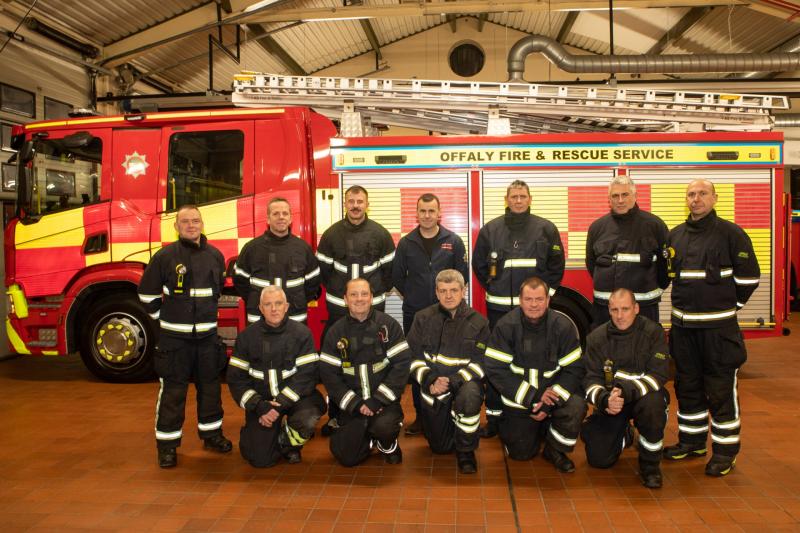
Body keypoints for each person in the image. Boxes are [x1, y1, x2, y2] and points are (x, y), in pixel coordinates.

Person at [663, 179, 760, 477]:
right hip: (683, 331)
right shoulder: (675, 236)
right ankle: (692, 442)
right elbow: (669, 276)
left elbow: (749, 279)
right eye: (691, 194)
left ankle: (725, 452)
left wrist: (728, 310)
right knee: (687, 387)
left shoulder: (732, 234)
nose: (696, 199)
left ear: (715, 198)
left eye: (702, 194)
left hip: (718, 333)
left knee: (720, 391)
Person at [138, 205, 232, 468]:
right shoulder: (165, 256)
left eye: (195, 221)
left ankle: (212, 435)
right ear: (176, 227)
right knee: (173, 393)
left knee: (211, 390)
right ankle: (167, 446)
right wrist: (165, 321)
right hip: (175, 342)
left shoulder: (215, 256)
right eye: (185, 222)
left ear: (202, 224)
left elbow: (215, 293)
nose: (191, 225)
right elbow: (147, 295)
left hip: (206, 339)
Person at [472, 179, 565, 437]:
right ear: (507, 199)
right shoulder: (491, 230)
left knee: (534, 358)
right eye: (514, 196)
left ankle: (536, 407)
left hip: (534, 314)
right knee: (497, 363)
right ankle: (494, 417)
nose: (518, 200)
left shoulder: (546, 229)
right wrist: (493, 288)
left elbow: (557, 266)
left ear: (530, 198)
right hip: (500, 311)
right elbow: (480, 265)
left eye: (523, 196)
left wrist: (546, 298)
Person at [484, 277, 586, 472]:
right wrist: (534, 396)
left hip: (553, 398)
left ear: (548, 300)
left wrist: (549, 401)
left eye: (539, 299)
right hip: (521, 399)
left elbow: (574, 369)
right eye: (529, 299)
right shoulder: (506, 326)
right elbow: (495, 369)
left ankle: (555, 449)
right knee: (520, 454)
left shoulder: (562, 327)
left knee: (576, 405)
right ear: (520, 300)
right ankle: (525, 429)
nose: (533, 305)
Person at [316, 185, 396, 435]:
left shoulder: (380, 234)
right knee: (339, 365)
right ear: (345, 203)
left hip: (371, 314)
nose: (355, 205)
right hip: (339, 313)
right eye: (351, 201)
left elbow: (390, 272)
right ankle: (337, 415)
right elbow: (323, 272)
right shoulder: (331, 235)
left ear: (367, 203)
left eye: (360, 201)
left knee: (373, 360)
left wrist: (369, 297)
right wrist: (344, 295)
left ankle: (376, 406)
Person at [392, 193, 469, 436]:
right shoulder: (406, 243)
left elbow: (462, 276)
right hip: (415, 314)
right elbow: (397, 278)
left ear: (439, 213)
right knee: (418, 362)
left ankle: (448, 410)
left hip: (448, 314)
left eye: (431, 211)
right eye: (422, 211)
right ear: (417, 214)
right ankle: (421, 416)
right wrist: (416, 299)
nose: (427, 216)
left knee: (447, 360)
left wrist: (444, 301)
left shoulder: (453, 241)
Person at [226, 286, 325, 467]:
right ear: (260, 308)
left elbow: (307, 376)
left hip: (296, 399)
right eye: (268, 304)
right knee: (260, 460)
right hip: (263, 404)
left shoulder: (302, 334)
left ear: (286, 306)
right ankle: (255, 436)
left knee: (307, 417)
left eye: (278, 303)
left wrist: (279, 405)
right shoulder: (246, 337)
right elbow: (236, 379)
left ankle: (288, 445)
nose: (274, 309)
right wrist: (258, 406)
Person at [581, 288, 669, 488]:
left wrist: (627, 390)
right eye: (614, 310)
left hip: (644, 398)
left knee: (653, 407)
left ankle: (650, 465)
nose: (620, 316)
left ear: (636, 308)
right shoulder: (596, 338)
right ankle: (624, 434)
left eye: (625, 309)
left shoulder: (653, 333)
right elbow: (589, 379)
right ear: (609, 310)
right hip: (613, 402)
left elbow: (659, 374)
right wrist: (604, 400)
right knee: (599, 460)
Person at [318, 278, 411, 466]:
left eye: (364, 294)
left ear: (372, 297)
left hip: (383, 403)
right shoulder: (335, 332)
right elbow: (329, 376)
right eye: (353, 294)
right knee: (346, 457)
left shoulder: (388, 326)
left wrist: (378, 400)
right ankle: (368, 438)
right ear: (345, 299)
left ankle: (388, 444)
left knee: (384, 427)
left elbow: (401, 366)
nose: (359, 299)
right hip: (353, 405)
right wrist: (355, 404)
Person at [406, 269, 489, 473]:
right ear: (436, 292)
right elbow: (411, 357)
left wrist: (454, 381)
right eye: (443, 291)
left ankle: (466, 450)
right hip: (434, 388)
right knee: (440, 448)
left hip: (463, 384)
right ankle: (451, 419)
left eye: (454, 290)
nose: (448, 295)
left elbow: (482, 363)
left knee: (469, 396)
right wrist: (430, 380)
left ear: (464, 290)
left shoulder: (479, 323)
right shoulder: (422, 318)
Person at [585, 176, 670, 327]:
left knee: (644, 348)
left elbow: (666, 265)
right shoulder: (597, 228)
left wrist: (656, 288)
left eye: (625, 195)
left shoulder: (654, 225)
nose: (620, 200)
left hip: (644, 308)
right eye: (615, 196)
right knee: (606, 349)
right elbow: (591, 264)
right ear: (609, 199)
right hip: (606, 309)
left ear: (635, 196)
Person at [233, 197, 320, 324]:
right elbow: (240, 281)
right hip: (260, 320)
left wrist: (298, 301)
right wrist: (257, 301)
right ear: (268, 219)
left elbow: (313, 282)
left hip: (294, 318)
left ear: (290, 218)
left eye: (285, 213)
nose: (281, 217)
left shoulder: (303, 248)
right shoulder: (252, 248)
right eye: (276, 214)